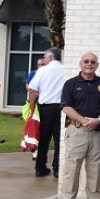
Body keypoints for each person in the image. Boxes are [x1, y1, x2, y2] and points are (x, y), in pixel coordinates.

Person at [59, 52, 100, 199]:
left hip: (97, 132)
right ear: (81, 63)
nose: (89, 64)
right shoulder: (71, 84)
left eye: (93, 62)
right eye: (86, 61)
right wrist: (83, 120)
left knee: (95, 169)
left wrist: (97, 121)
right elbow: (66, 107)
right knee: (72, 169)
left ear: (97, 64)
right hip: (77, 131)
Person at [28, 48, 65, 178]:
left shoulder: (42, 70)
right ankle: (57, 169)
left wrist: (31, 110)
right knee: (59, 140)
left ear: (50, 57)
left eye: (44, 57)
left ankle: (40, 167)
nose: (43, 60)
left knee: (43, 139)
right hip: (62, 108)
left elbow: (32, 89)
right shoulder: (65, 69)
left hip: (45, 108)